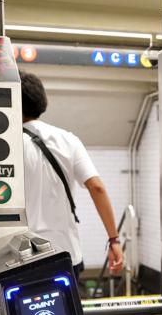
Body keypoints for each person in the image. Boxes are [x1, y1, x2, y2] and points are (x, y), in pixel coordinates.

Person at [20, 71, 124, 284]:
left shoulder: (6, 146)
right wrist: (114, 239)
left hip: (24, 257)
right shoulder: (68, 139)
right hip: (66, 254)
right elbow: (97, 188)